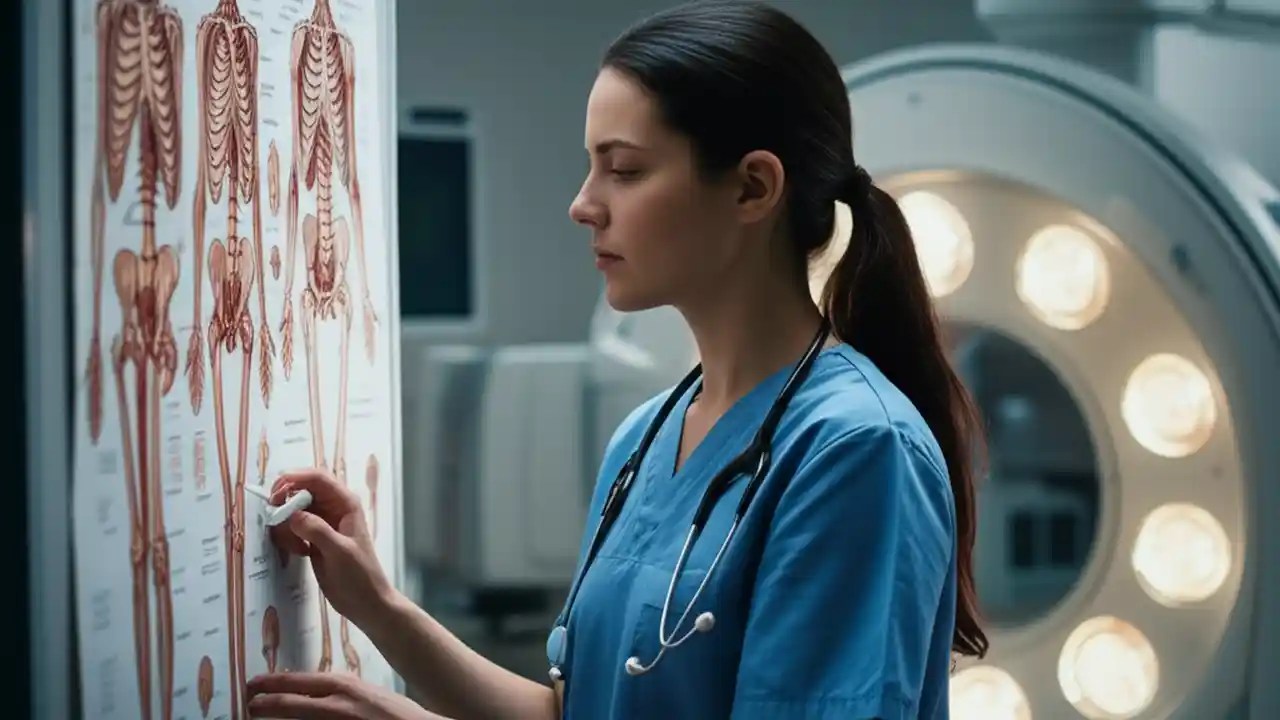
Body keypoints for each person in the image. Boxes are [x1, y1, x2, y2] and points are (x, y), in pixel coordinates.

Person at [245, 1, 989, 718]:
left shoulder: (856, 452)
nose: (583, 204)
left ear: (752, 187)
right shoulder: (644, 439)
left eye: (624, 170)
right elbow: (576, 710)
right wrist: (380, 608)